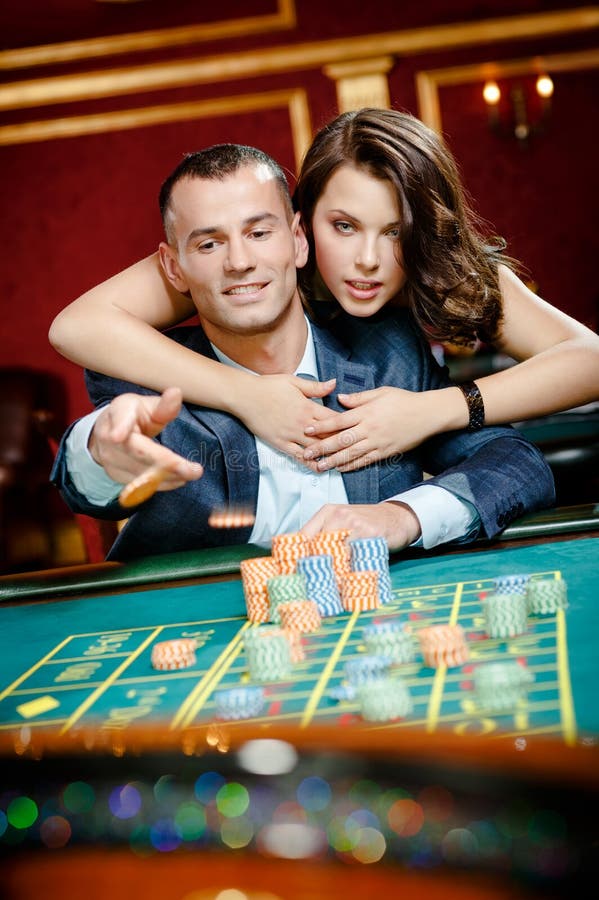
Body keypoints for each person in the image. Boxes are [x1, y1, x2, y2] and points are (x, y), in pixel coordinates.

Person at [51, 143, 555, 561]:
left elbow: (514, 463)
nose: (240, 262)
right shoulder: (149, 377)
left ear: (297, 239)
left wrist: (400, 517)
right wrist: (99, 451)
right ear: (173, 268)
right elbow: (88, 476)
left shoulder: (386, 354)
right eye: (209, 245)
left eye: (258, 232)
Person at [48, 108, 599, 474]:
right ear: (302, 226)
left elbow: (591, 360)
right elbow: (75, 327)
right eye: (344, 226)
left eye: (394, 231)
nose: (367, 259)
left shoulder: (442, 269)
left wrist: (439, 408)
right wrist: (245, 395)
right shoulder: (255, 262)